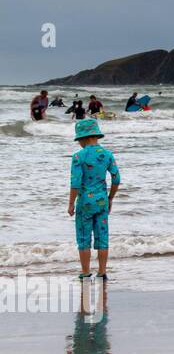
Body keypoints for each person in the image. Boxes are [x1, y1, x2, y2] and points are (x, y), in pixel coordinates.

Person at [68, 118, 120, 281]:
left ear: (83, 138)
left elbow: (75, 183)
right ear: (96, 136)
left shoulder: (78, 157)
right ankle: (102, 271)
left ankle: (85, 272)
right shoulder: (107, 155)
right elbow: (116, 178)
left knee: (84, 237)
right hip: (102, 202)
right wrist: (110, 198)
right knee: (102, 235)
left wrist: (70, 203)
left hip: (84, 203)